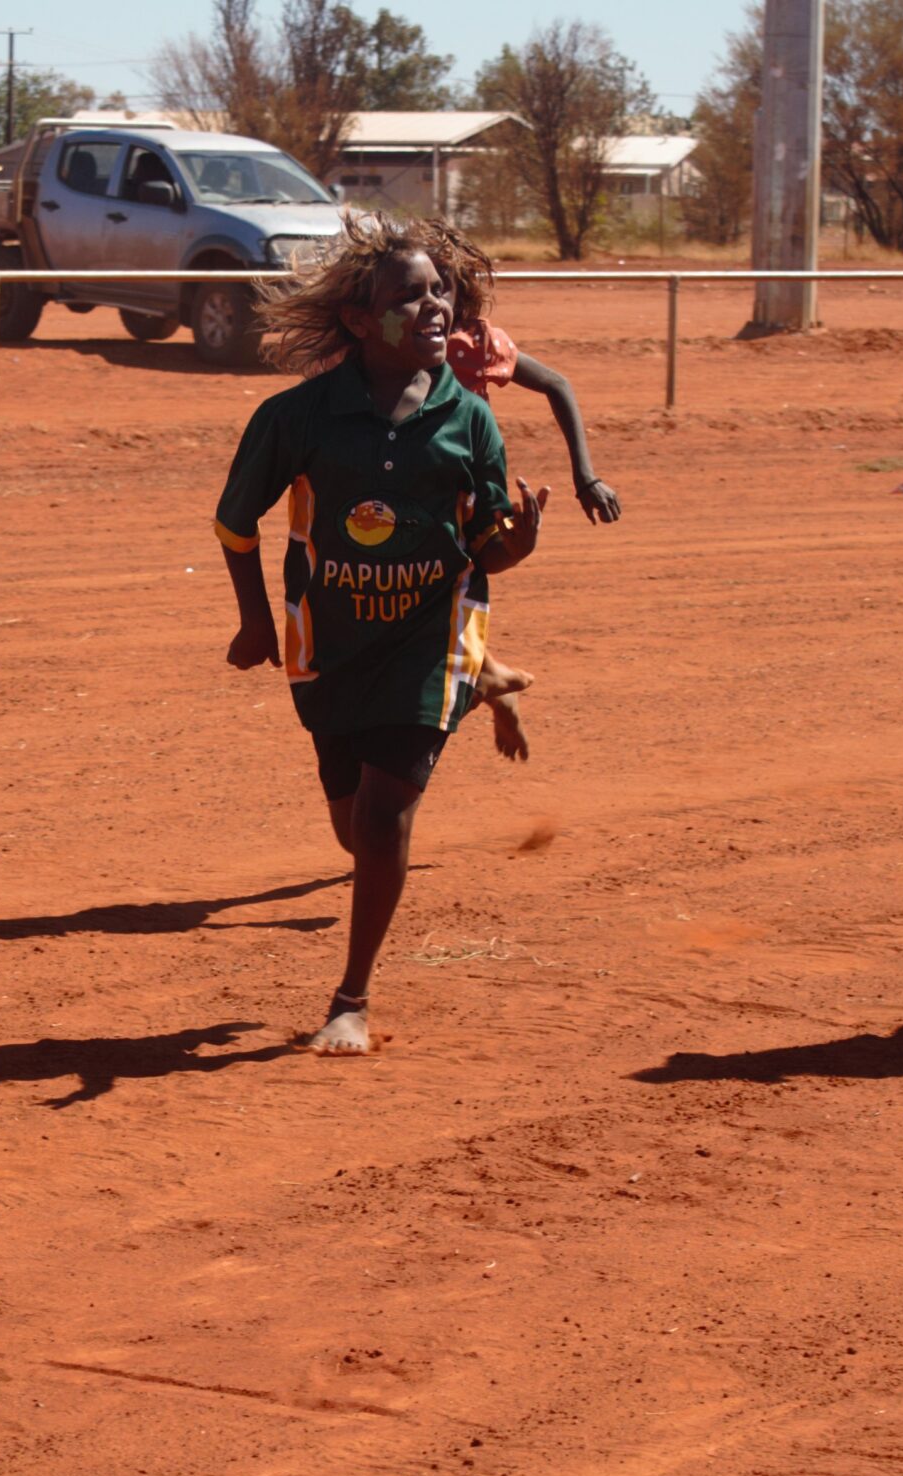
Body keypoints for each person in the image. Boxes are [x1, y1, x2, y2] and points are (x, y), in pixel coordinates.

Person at [216, 211, 547, 1054]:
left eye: (440, 292)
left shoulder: (469, 420)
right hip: (327, 644)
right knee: (352, 830)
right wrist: (254, 620)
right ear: (359, 320)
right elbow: (234, 522)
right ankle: (486, 690)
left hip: (427, 642)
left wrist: (516, 545)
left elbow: (486, 547)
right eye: (409, 296)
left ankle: (351, 999)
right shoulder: (298, 416)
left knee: (385, 818)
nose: (435, 307)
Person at [423, 223, 623, 763]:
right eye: (418, 288)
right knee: (428, 587)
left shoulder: (475, 342)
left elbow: (557, 382)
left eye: (442, 288)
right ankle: (489, 678)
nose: (431, 301)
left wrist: (585, 475)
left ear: (462, 295)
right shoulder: (398, 342)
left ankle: (485, 678)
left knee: (439, 579)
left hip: (464, 485)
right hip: (413, 478)